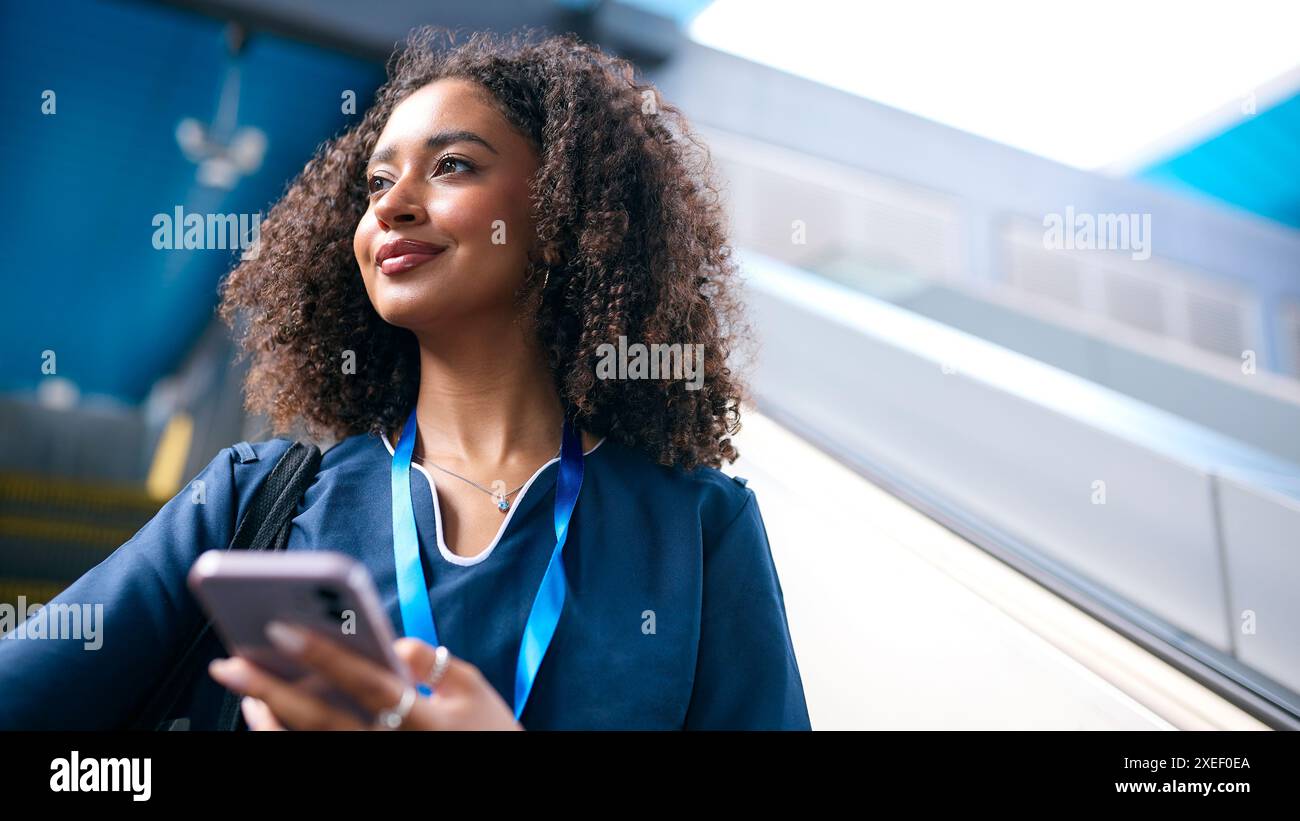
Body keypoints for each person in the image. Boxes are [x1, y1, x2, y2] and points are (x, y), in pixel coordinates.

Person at [0, 26, 811, 731]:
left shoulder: (699, 529)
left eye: (451, 166)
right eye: (377, 183)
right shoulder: (257, 501)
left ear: (563, 217)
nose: (391, 206)